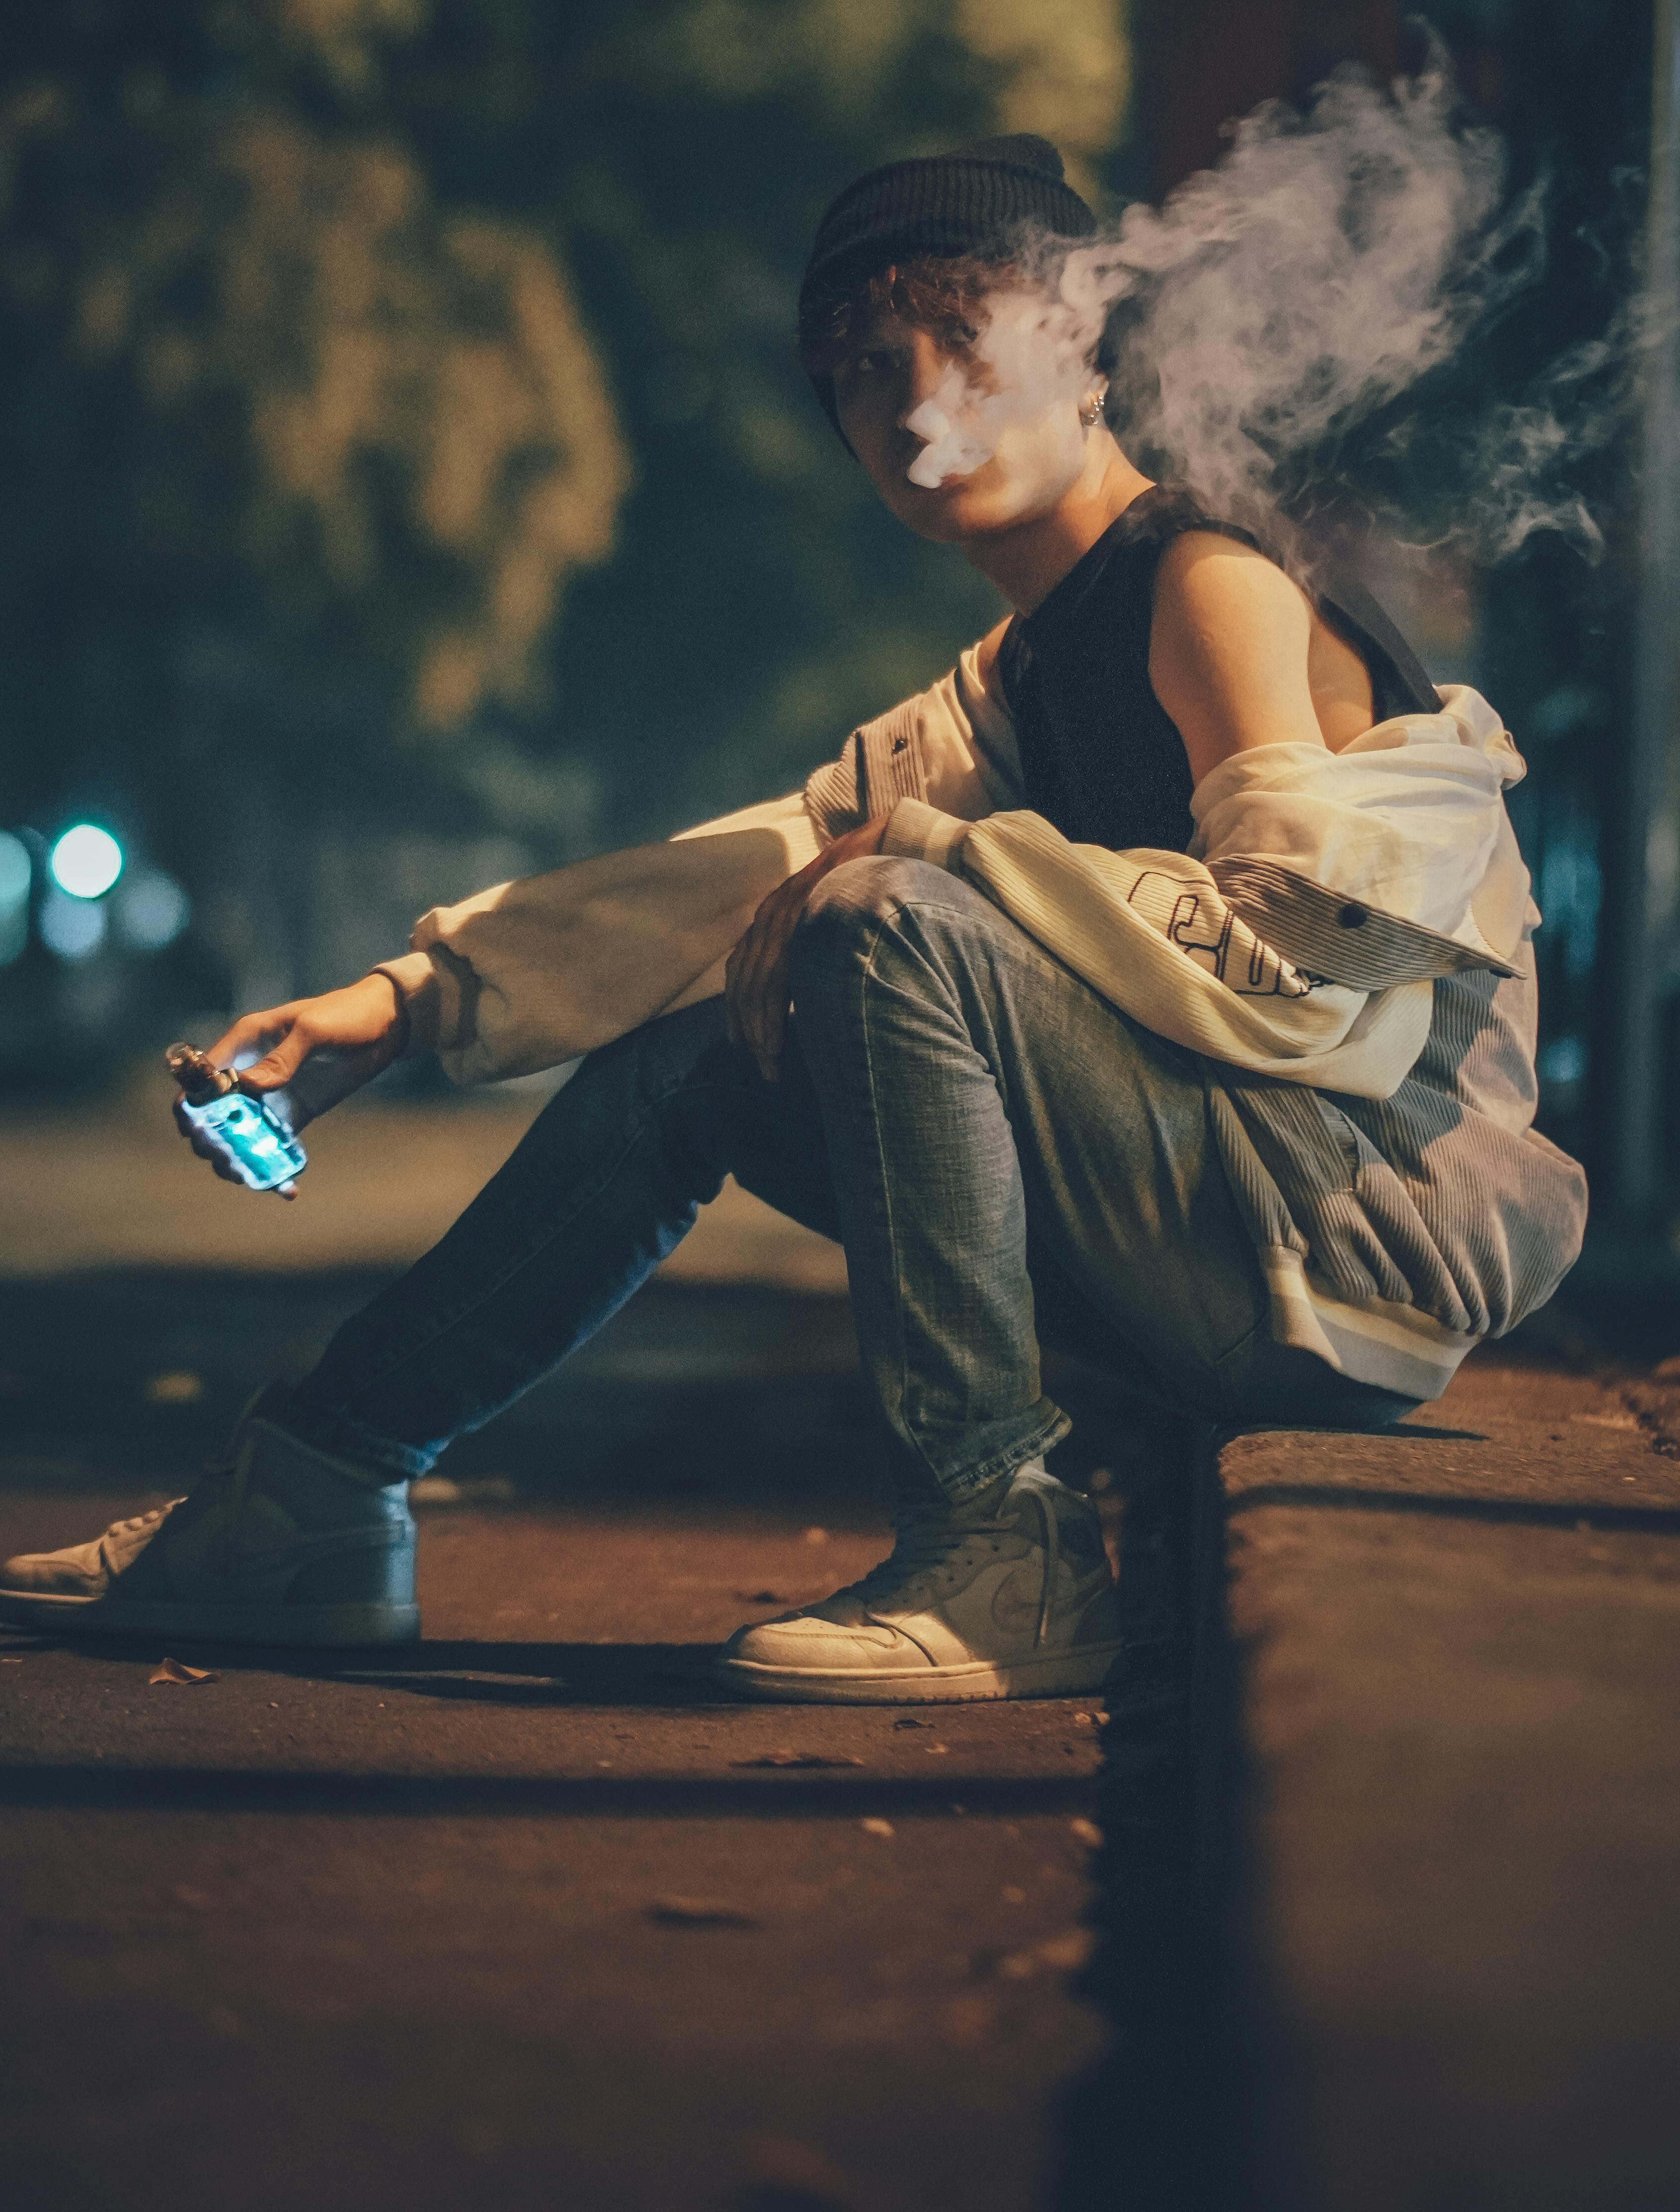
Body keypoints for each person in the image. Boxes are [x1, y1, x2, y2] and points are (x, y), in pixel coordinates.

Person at [0, 135, 1588, 1700]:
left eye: (960, 340)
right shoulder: (1018, 674)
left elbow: (1304, 963)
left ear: (1080, 337)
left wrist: (921, 868)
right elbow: (755, 862)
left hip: (1346, 1239)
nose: (910, 409)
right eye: (858, 371)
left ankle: (998, 1537)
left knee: (888, 914)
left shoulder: (1207, 585)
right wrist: (399, 1005)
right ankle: (318, 1493)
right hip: (1220, 1217)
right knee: (702, 1048)